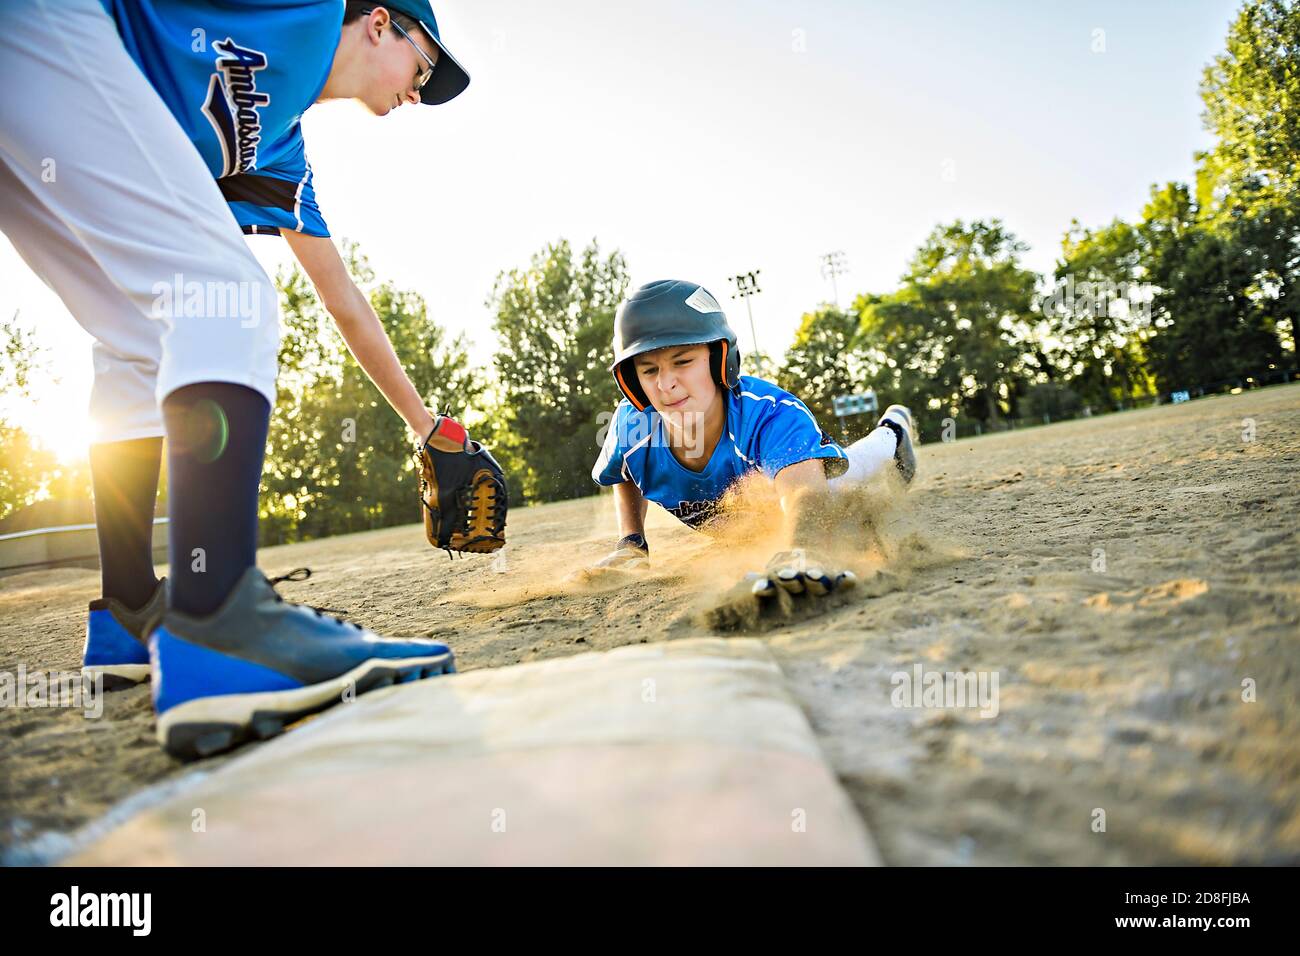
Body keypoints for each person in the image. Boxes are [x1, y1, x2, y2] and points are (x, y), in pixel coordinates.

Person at [0, 1, 480, 759]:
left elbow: (343, 300)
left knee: (133, 339)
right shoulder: (305, 8)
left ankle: (127, 614)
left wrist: (431, 430)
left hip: (42, 84)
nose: (419, 91)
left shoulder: (277, 146)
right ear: (380, 22)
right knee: (223, 291)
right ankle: (219, 616)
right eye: (423, 67)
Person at [591, 279, 917, 598]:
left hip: (799, 493)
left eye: (683, 361)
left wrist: (802, 549)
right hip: (746, 522)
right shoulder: (631, 427)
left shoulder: (771, 415)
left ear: (721, 360)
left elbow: (805, 494)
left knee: (846, 477)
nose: (665, 384)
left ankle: (892, 434)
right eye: (649, 370)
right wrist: (632, 543)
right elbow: (625, 472)